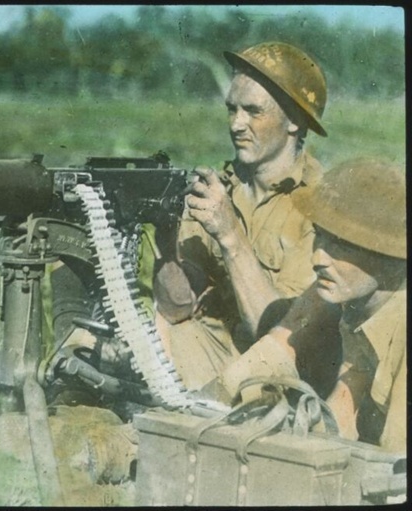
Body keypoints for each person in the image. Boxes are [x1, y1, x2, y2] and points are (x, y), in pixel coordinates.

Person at [148, 41, 331, 391]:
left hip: (281, 381)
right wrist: (165, 234)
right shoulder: (217, 191)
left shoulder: (321, 206)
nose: (236, 124)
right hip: (211, 363)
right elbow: (175, 311)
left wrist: (230, 236)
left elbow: (281, 340)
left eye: (253, 111)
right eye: (232, 109)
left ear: (294, 120)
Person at [215, 158, 406, 453]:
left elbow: (396, 469)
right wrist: (203, 406)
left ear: (391, 259)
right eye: (320, 236)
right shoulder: (344, 291)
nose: (318, 258)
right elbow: (270, 355)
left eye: (341, 244)